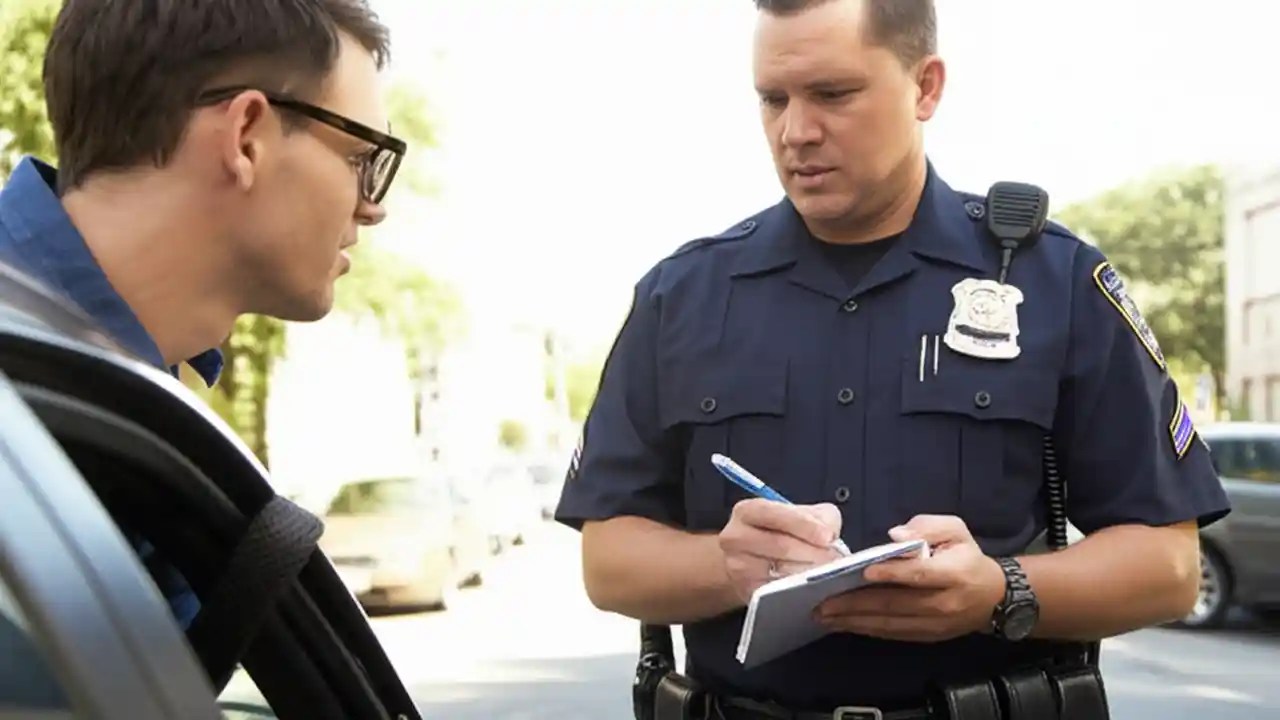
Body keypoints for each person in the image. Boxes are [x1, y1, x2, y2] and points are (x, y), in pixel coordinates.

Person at [554, 0, 1231, 718]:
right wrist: (730, 565)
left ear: (926, 87)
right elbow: (609, 562)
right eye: (773, 99)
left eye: (834, 94)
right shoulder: (682, 296)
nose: (796, 131)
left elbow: (1168, 567)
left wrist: (999, 593)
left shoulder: (1051, 282)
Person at [0, 0, 405, 627]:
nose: (372, 208)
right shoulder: (45, 408)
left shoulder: (106, 397)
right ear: (246, 137)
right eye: (362, 159)